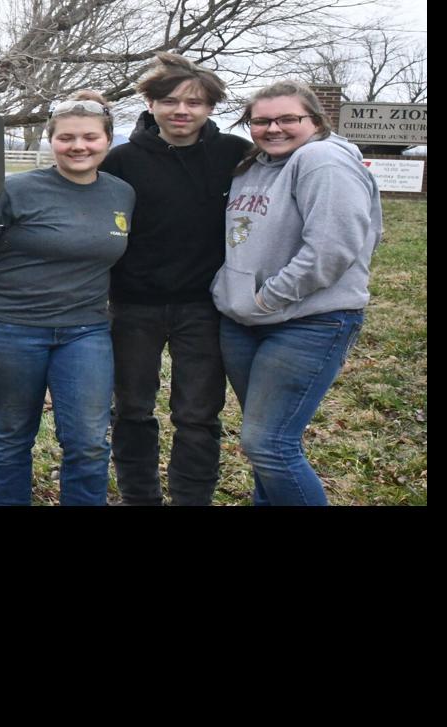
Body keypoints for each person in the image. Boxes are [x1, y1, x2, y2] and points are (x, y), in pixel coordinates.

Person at [0, 90, 134, 505]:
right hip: (10, 330)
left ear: (107, 140)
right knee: (13, 434)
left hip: (85, 331)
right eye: (67, 137)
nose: (79, 146)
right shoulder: (13, 191)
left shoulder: (122, 194)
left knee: (87, 440)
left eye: (90, 137)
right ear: (51, 140)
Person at [213, 81, 382, 506]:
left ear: (316, 120)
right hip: (243, 320)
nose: (274, 128)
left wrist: (268, 297)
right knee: (264, 445)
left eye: (289, 118)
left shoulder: (323, 160)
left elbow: (333, 248)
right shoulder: (254, 164)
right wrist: (238, 297)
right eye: (262, 120)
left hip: (309, 321)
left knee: (269, 444)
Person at [98, 53, 250, 506]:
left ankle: (191, 498)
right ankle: (139, 496)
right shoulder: (121, 160)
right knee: (131, 410)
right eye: (170, 101)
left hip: (204, 307)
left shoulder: (235, 156)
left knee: (198, 414)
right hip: (132, 305)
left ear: (210, 108)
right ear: (150, 103)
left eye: (195, 102)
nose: (182, 111)